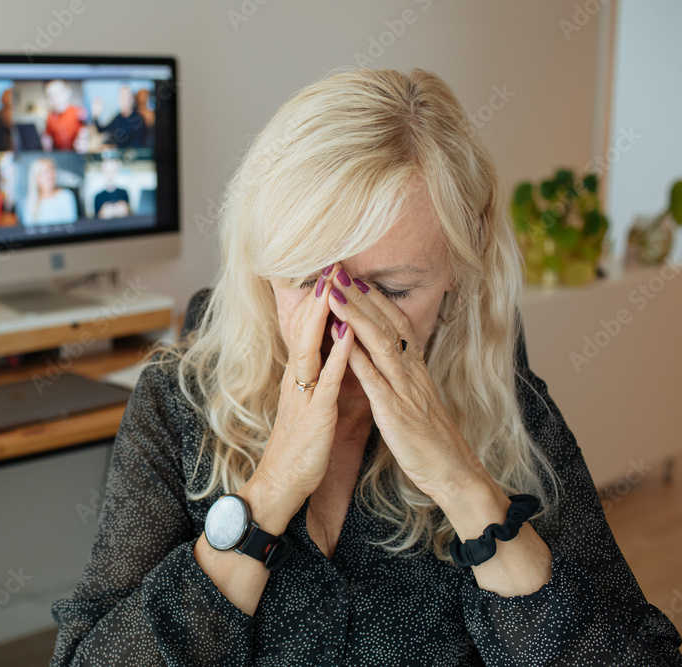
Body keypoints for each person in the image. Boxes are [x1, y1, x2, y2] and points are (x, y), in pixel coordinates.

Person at [49, 68, 682, 665]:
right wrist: (267, 495)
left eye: (397, 291)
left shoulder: (505, 405)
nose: (343, 330)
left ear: (459, 275)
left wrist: (465, 485)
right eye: (305, 280)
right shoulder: (177, 398)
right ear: (260, 268)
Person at [22, 157, 77, 225]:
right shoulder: (29, 202)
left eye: (52, 170)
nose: (50, 176)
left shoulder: (66, 196)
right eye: (44, 173)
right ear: (36, 178)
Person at [91, 84, 147, 149]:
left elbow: (136, 146)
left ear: (132, 99)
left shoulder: (138, 119)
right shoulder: (118, 117)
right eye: (121, 97)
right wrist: (96, 116)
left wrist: (114, 148)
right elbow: (102, 130)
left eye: (126, 97)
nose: (123, 101)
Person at [43, 79, 88, 152]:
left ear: (68, 92)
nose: (55, 99)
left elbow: (86, 133)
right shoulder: (50, 117)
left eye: (57, 94)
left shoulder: (78, 112)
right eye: (50, 96)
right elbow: (47, 138)